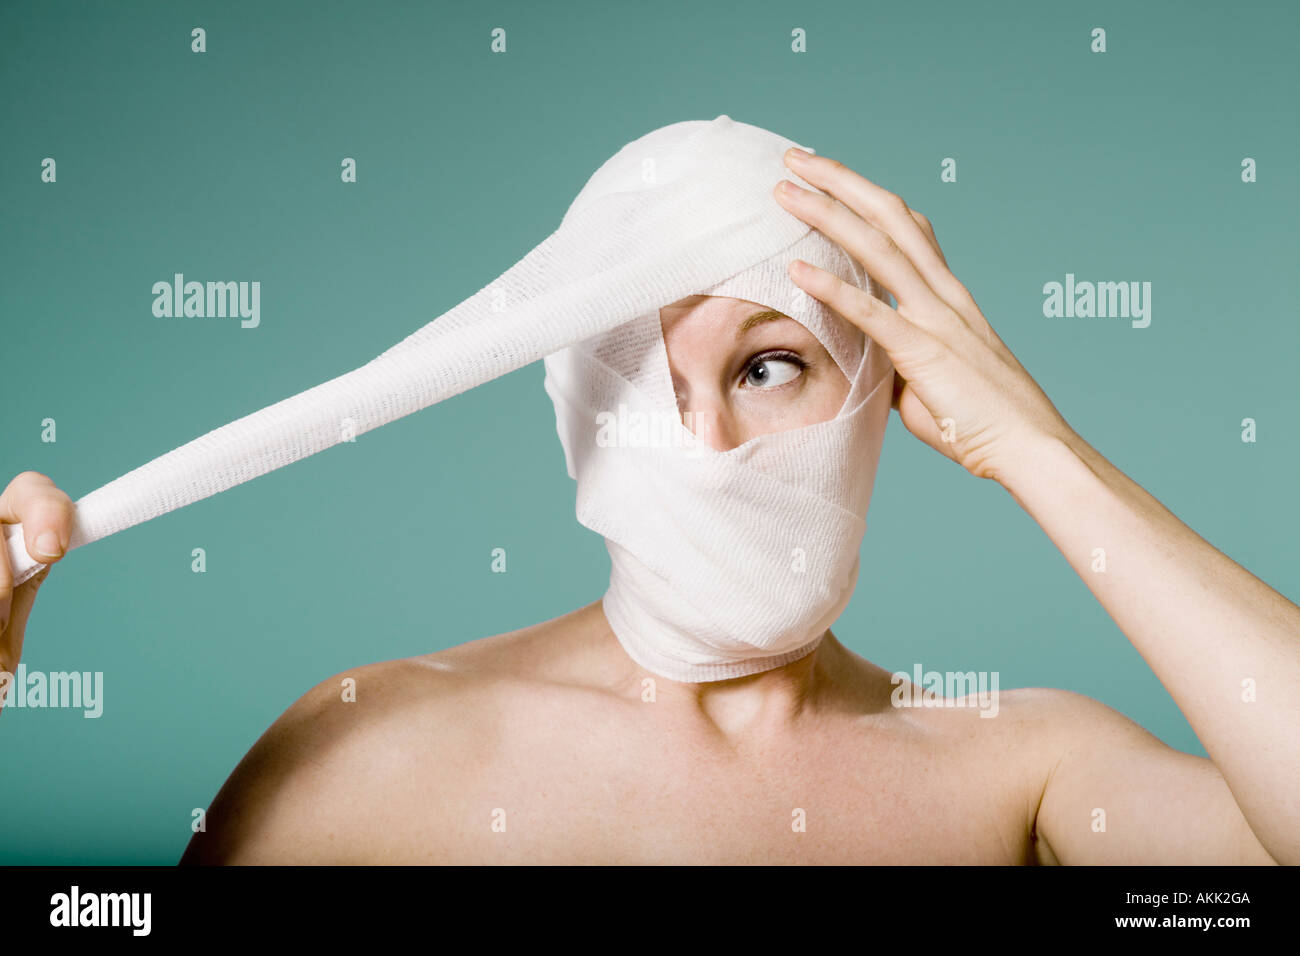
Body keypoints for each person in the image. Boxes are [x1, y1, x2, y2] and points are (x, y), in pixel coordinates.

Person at [3, 148, 1295, 865]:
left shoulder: (1025, 773)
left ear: (884, 391)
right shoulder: (368, 751)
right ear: (571, 411)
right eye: (643, 382)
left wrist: (1039, 450)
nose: (709, 443)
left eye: (767, 364)